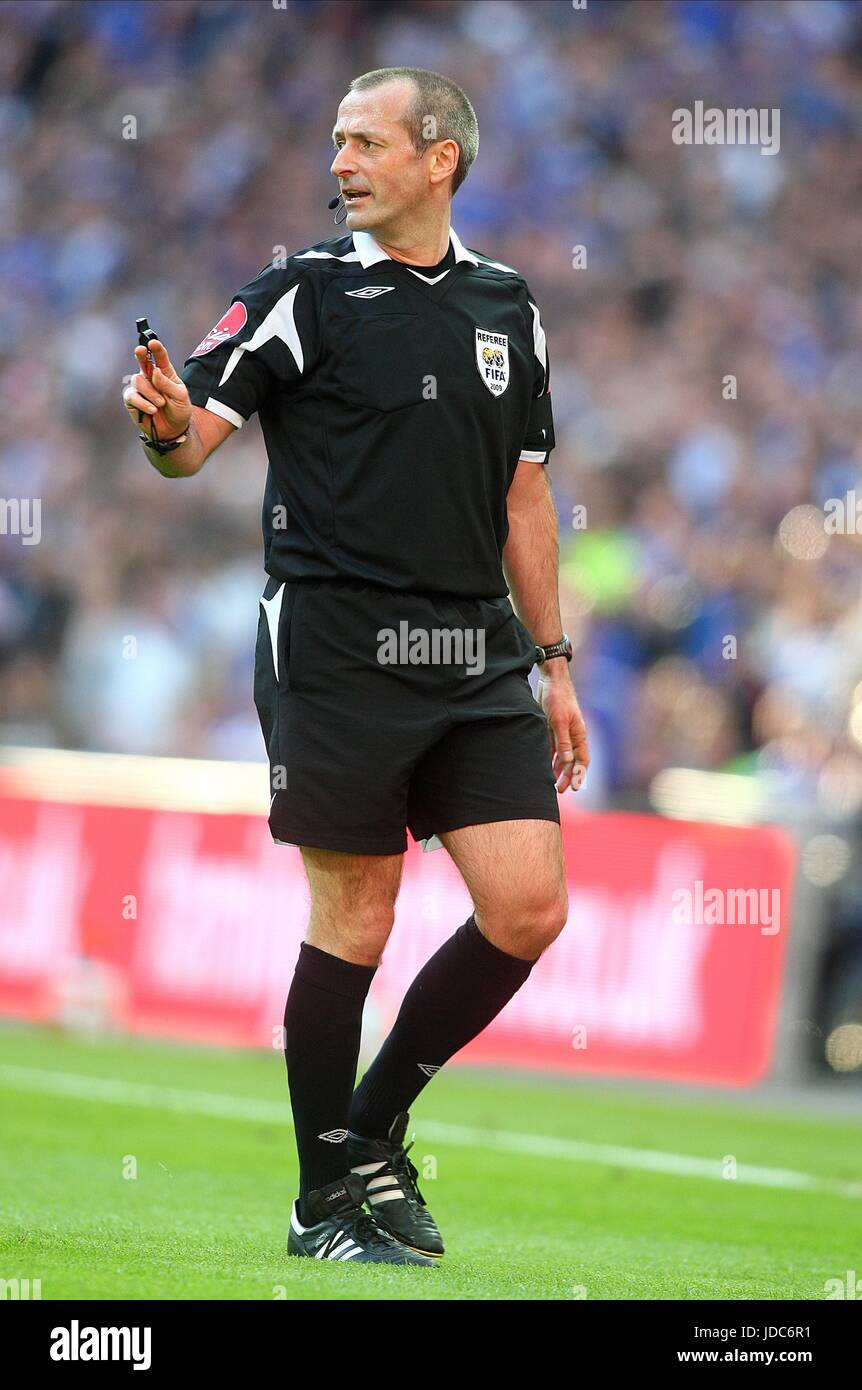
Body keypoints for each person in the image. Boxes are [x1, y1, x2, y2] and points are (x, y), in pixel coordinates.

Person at [122, 66, 589, 1267]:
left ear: (440, 158)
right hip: (336, 643)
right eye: (335, 141)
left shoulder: (509, 307)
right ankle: (320, 1198)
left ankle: (370, 1129)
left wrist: (556, 662)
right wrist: (169, 422)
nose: (338, 163)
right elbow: (192, 447)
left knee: (530, 908)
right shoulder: (299, 291)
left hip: (473, 647)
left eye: (365, 142)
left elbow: (524, 495)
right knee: (359, 915)